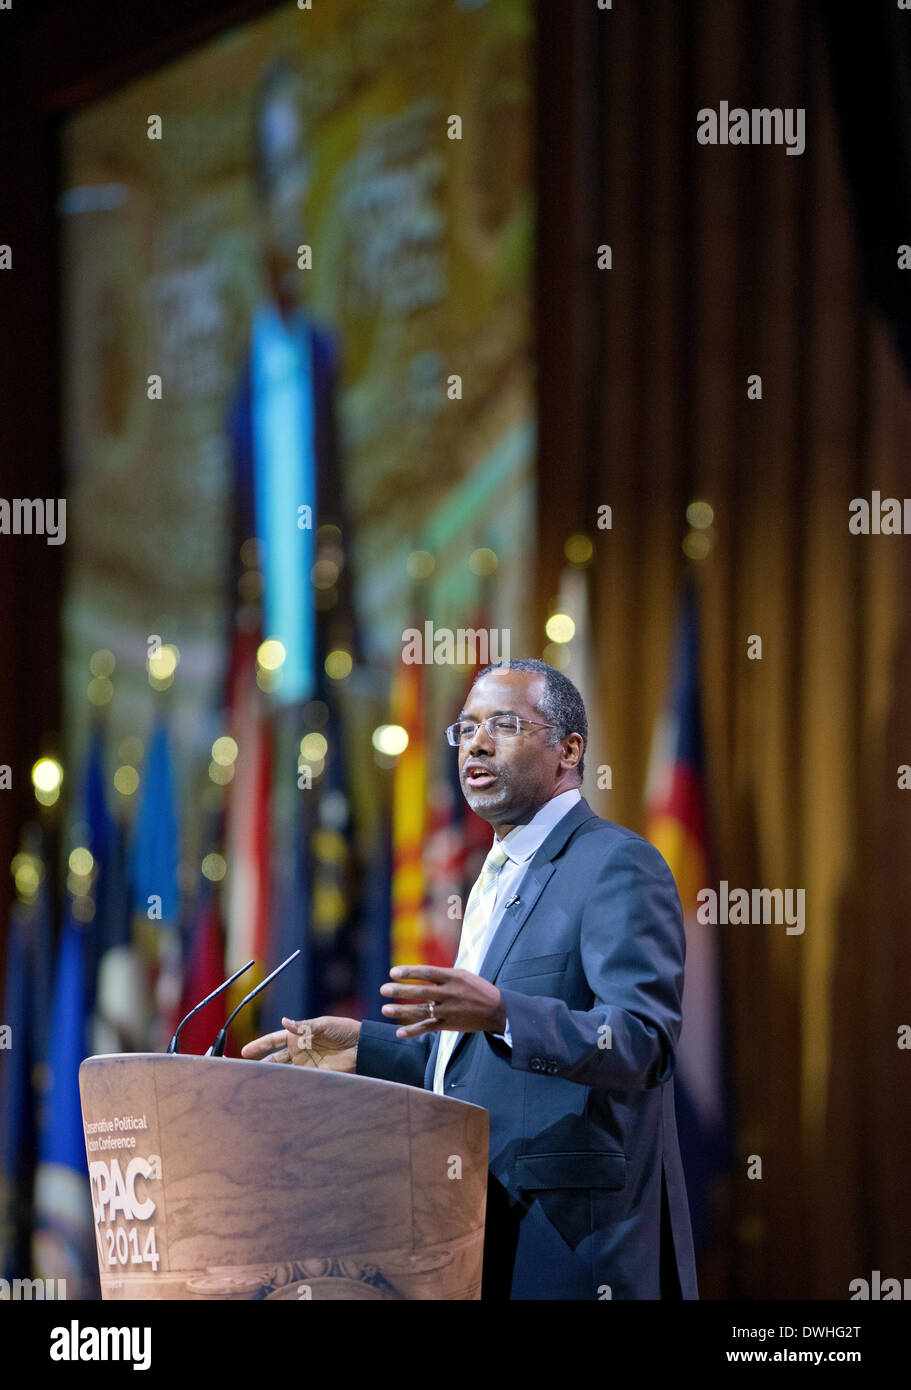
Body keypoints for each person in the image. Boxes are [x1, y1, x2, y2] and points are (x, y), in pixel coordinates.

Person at [242, 658, 698, 1300]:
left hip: (569, 1246)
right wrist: (362, 1047)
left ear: (569, 749)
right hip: (468, 1228)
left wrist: (505, 1012)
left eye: (504, 725)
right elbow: (476, 1061)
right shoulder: (493, 875)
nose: (476, 744)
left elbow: (643, 1040)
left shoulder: (616, 863)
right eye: (466, 728)